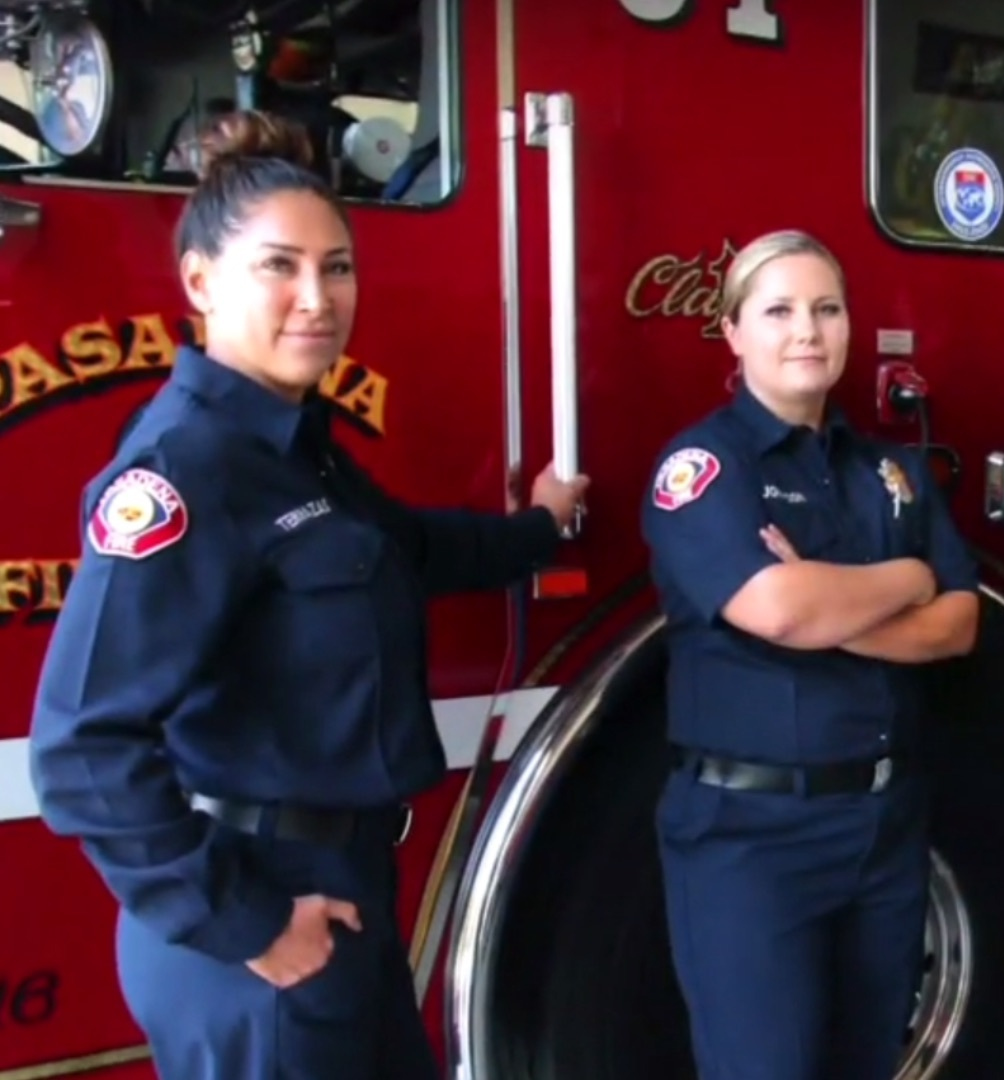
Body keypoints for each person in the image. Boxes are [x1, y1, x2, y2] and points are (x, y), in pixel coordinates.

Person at [27, 110, 589, 1080]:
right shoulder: (183, 473)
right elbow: (80, 748)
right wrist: (244, 923)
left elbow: (408, 550)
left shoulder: (298, 453)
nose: (316, 299)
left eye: (337, 268)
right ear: (199, 280)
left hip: (338, 894)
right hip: (256, 923)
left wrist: (540, 527)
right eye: (278, 267)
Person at [639, 228, 981, 1079]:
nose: (808, 331)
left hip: (886, 827)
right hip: (752, 840)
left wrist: (843, 603)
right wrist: (907, 576)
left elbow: (960, 625)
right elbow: (780, 610)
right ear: (735, 331)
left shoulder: (890, 471)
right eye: (780, 310)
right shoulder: (704, 466)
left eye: (827, 309)